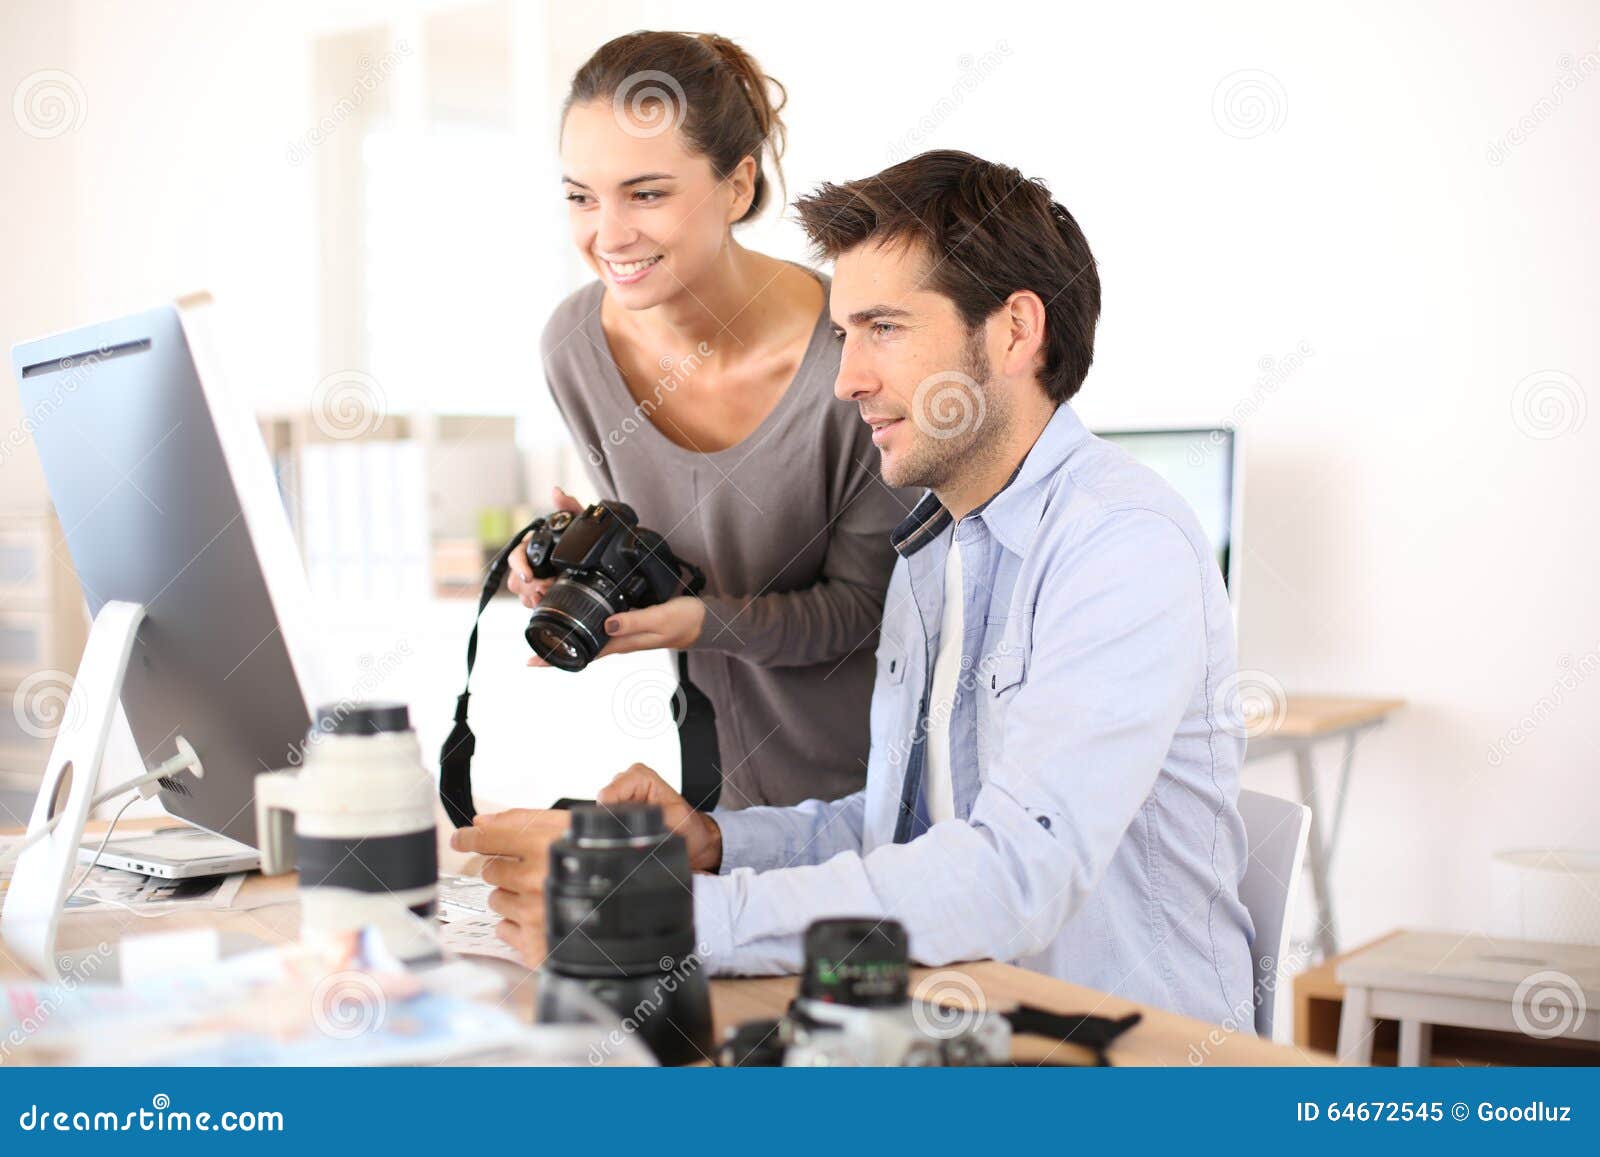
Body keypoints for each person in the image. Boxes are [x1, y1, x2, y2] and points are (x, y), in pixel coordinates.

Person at [459, 150, 1255, 1027]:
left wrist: (668, 918)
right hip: (963, 1027)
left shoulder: (1120, 545)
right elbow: (898, 828)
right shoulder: (931, 548)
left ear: (1015, 331)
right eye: (845, 335)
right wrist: (717, 842)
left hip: (1135, 1059)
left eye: (885, 328)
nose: (847, 381)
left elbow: (1012, 874)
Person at [513, 31, 913, 810]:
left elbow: (865, 611)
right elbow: (679, 561)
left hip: (876, 804)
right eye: (581, 197)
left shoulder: (853, 354)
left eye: (647, 194)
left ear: (737, 186)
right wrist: (585, 562)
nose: (608, 235)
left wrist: (701, 622)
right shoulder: (575, 347)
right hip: (717, 799)